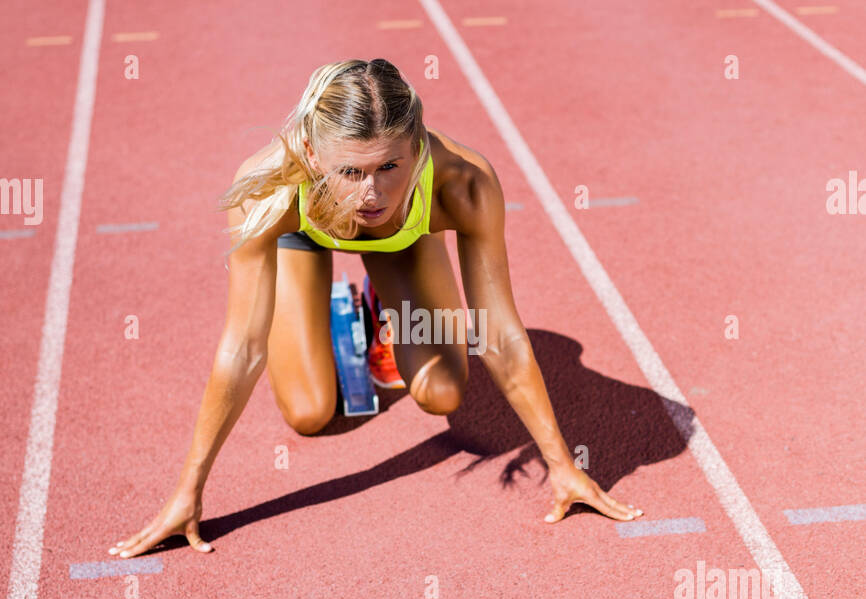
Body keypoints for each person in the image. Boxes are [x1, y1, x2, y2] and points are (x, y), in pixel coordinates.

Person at [109, 58, 643, 558]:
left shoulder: (464, 182)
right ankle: (349, 312)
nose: (370, 192)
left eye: (389, 165)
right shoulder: (268, 189)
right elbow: (243, 345)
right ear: (314, 157)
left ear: (417, 147)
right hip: (306, 236)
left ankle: (382, 306)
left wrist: (561, 464)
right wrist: (188, 490)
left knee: (442, 393)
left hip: (404, 240)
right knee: (309, 414)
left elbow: (499, 334)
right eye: (350, 172)